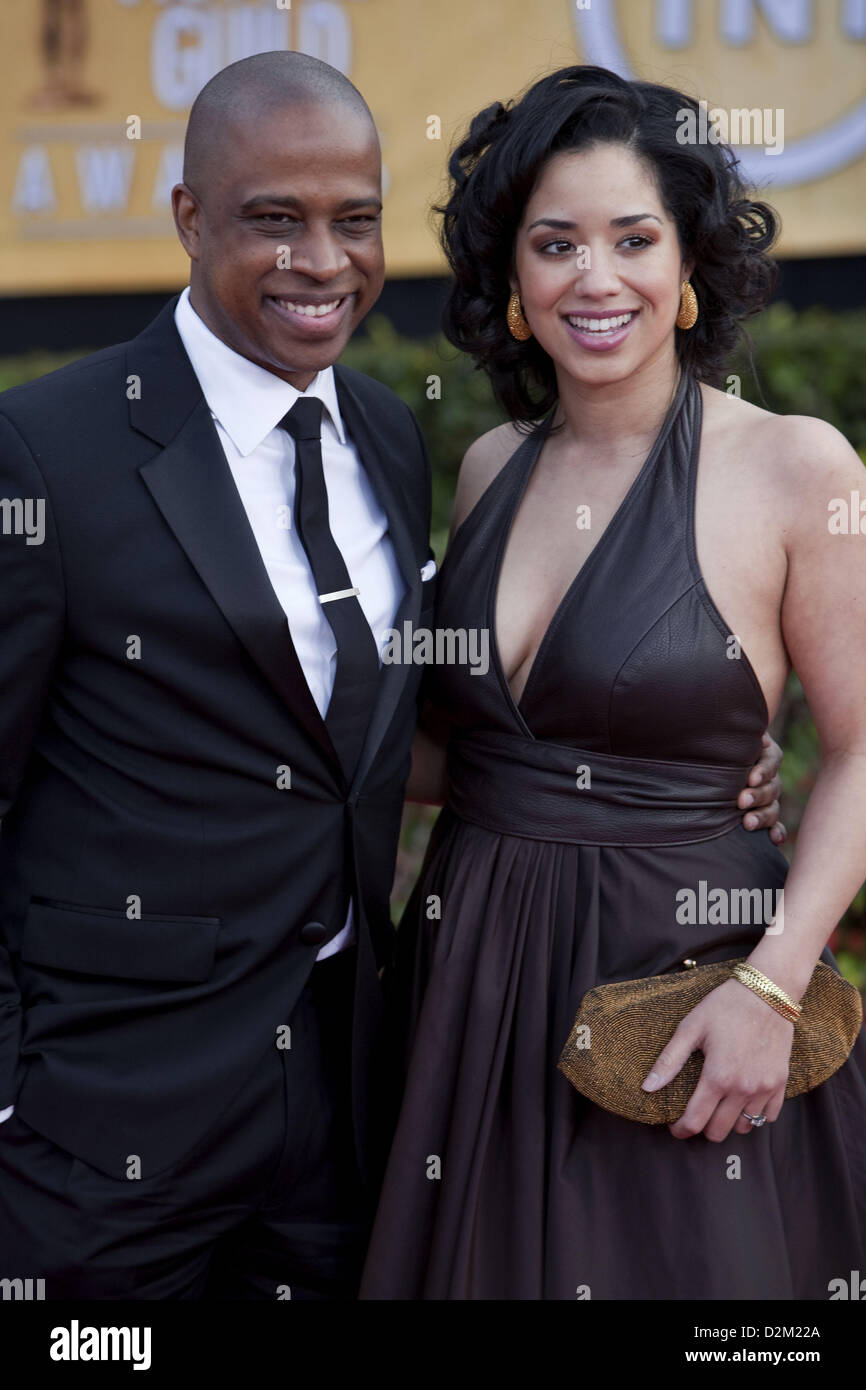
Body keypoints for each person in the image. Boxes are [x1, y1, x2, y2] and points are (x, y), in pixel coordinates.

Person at [359, 65, 866, 1300]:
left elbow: (864, 747)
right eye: (556, 244)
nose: (597, 278)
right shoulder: (488, 467)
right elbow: (459, 752)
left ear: (688, 264)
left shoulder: (795, 468)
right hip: (474, 984)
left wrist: (773, 982)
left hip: (690, 997)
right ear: (514, 282)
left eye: (634, 239)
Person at [0, 50, 440, 1300]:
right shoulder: (47, 450)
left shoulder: (389, 436)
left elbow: (360, 735)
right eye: (275, 220)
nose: (324, 261)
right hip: (99, 1128)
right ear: (190, 219)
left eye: (355, 220)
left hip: (336, 1106)